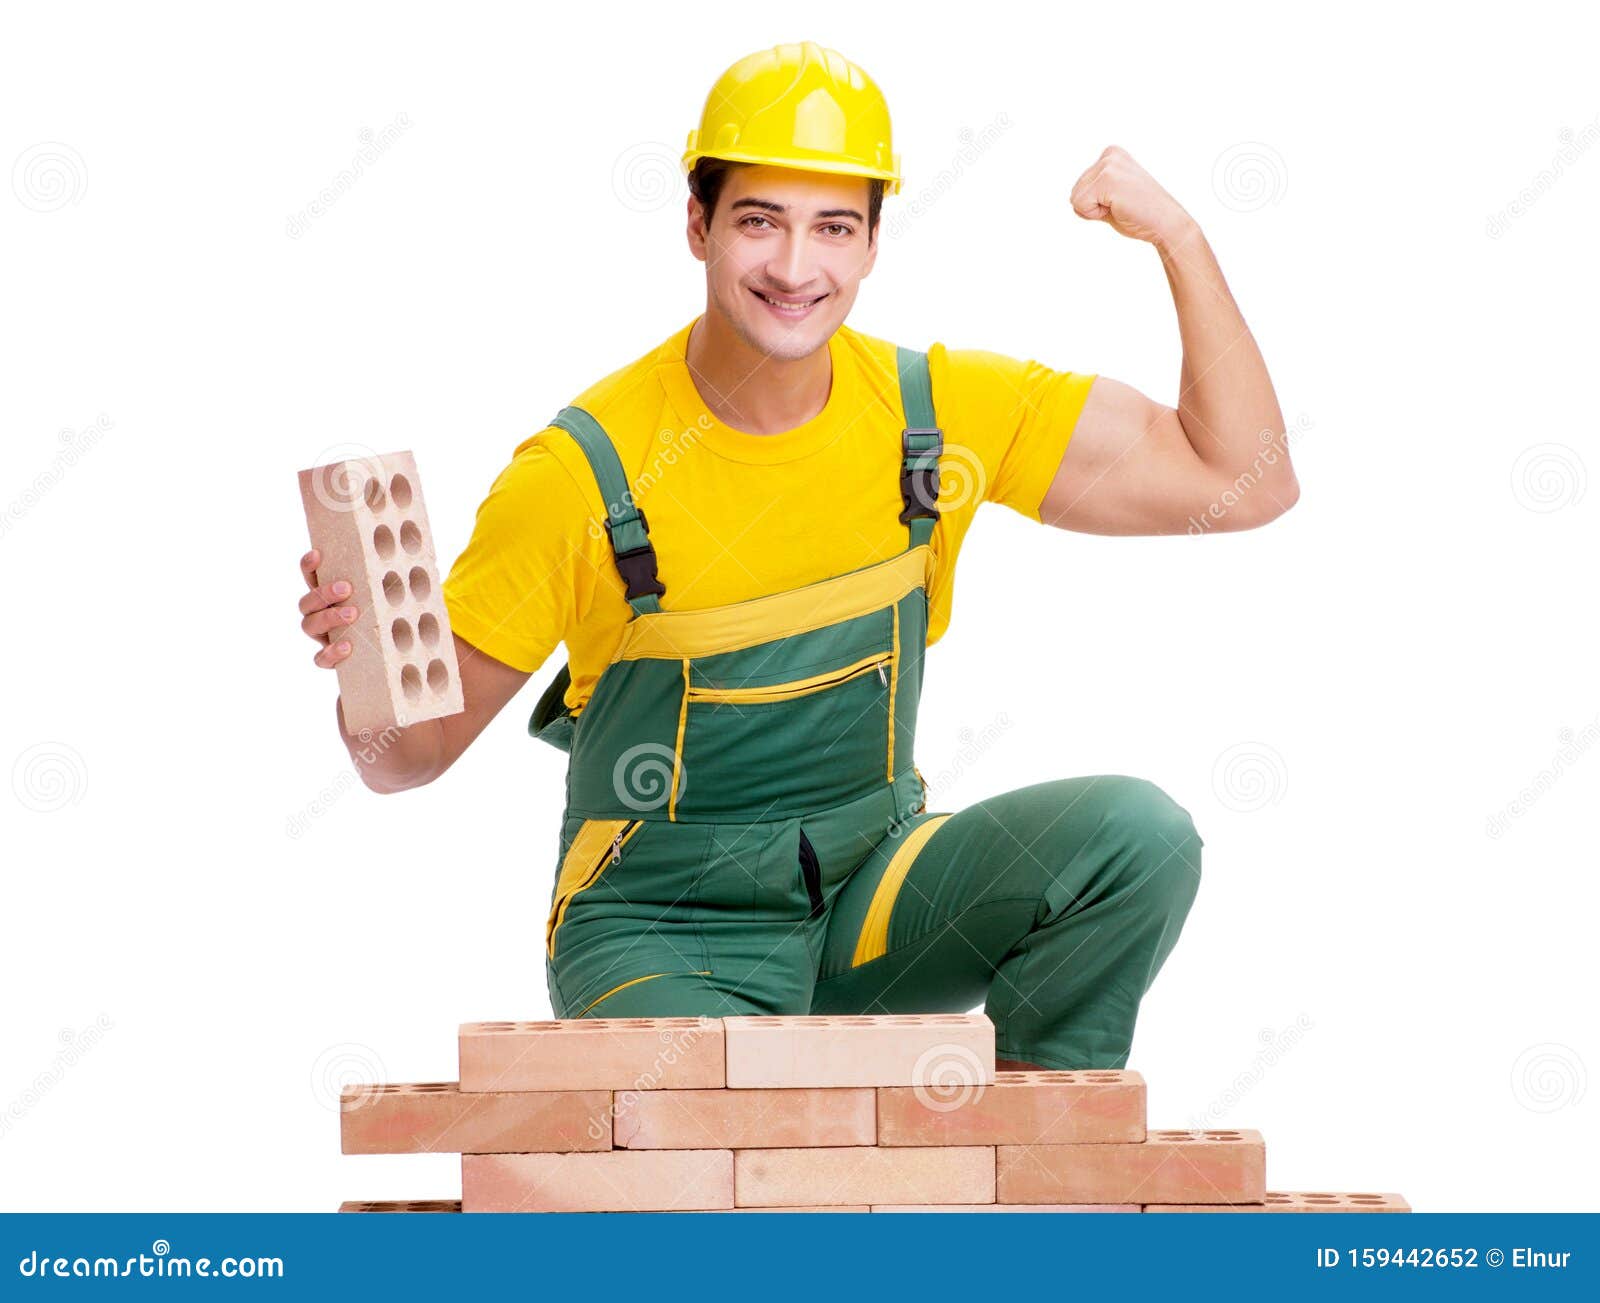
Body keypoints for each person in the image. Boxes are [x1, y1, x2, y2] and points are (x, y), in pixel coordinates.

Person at [296, 42, 1296, 1069]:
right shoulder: (580, 474)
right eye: (758, 221)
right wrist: (361, 665)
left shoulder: (936, 418)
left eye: (831, 227)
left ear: (869, 245)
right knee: (720, 1112)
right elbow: (403, 758)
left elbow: (1246, 476)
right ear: (697, 224)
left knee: (1134, 839)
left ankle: (1034, 1163)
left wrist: (1177, 235)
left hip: (870, 900)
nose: (792, 266)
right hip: (660, 932)